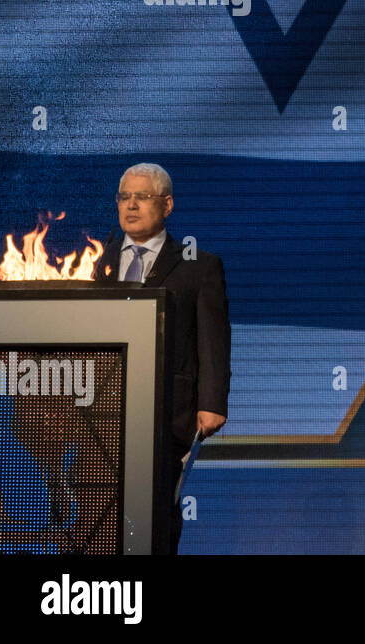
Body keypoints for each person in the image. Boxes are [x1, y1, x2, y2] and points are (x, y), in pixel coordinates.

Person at [92, 163, 231, 553]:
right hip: (99, 410)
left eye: (142, 197)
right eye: (124, 197)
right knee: (96, 508)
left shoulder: (199, 266)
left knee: (156, 511)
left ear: (167, 205)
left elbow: (213, 340)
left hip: (169, 412)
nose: (131, 205)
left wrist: (212, 402)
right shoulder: (92, 261)